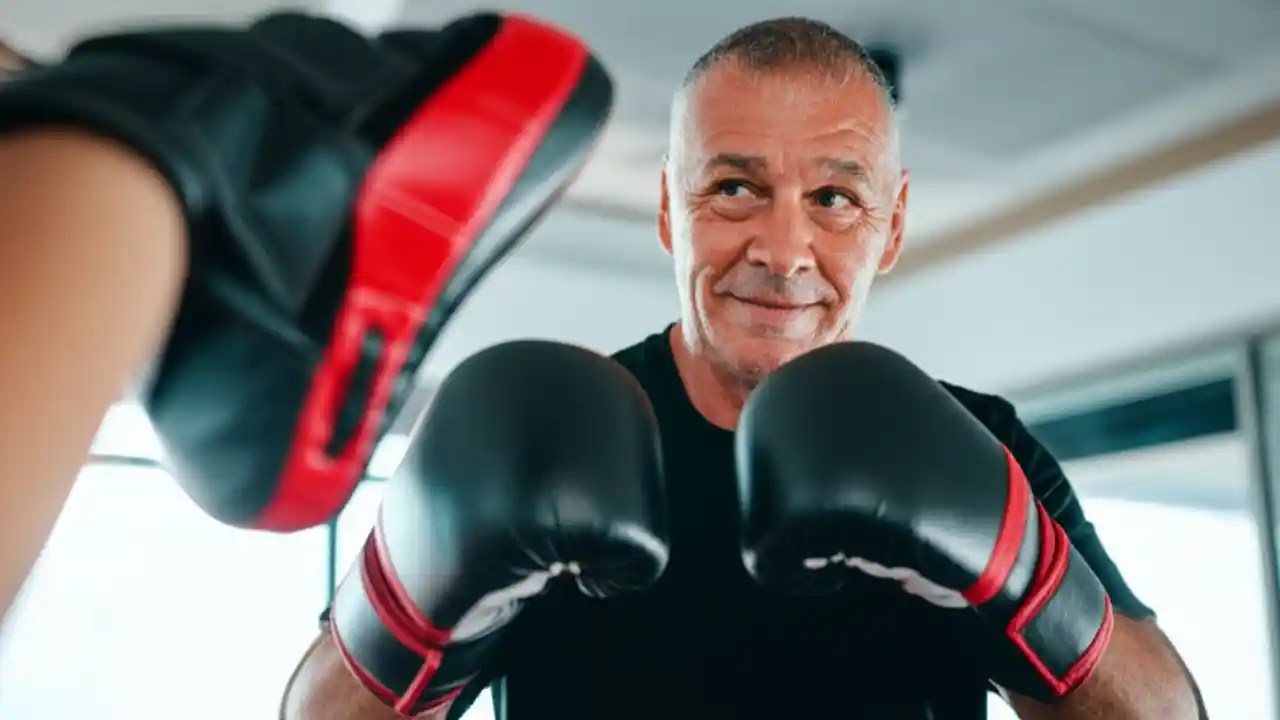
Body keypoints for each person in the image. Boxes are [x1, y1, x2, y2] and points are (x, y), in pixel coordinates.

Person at [281, 17, 1208, 720]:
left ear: (891, 226)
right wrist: (422, 602)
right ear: (666, 212)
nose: (783, 249)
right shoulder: (549, 432)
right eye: (734, 189)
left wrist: (1020, 577)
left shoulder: (980, 439)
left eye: (835, 198)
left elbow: (1166, 711)